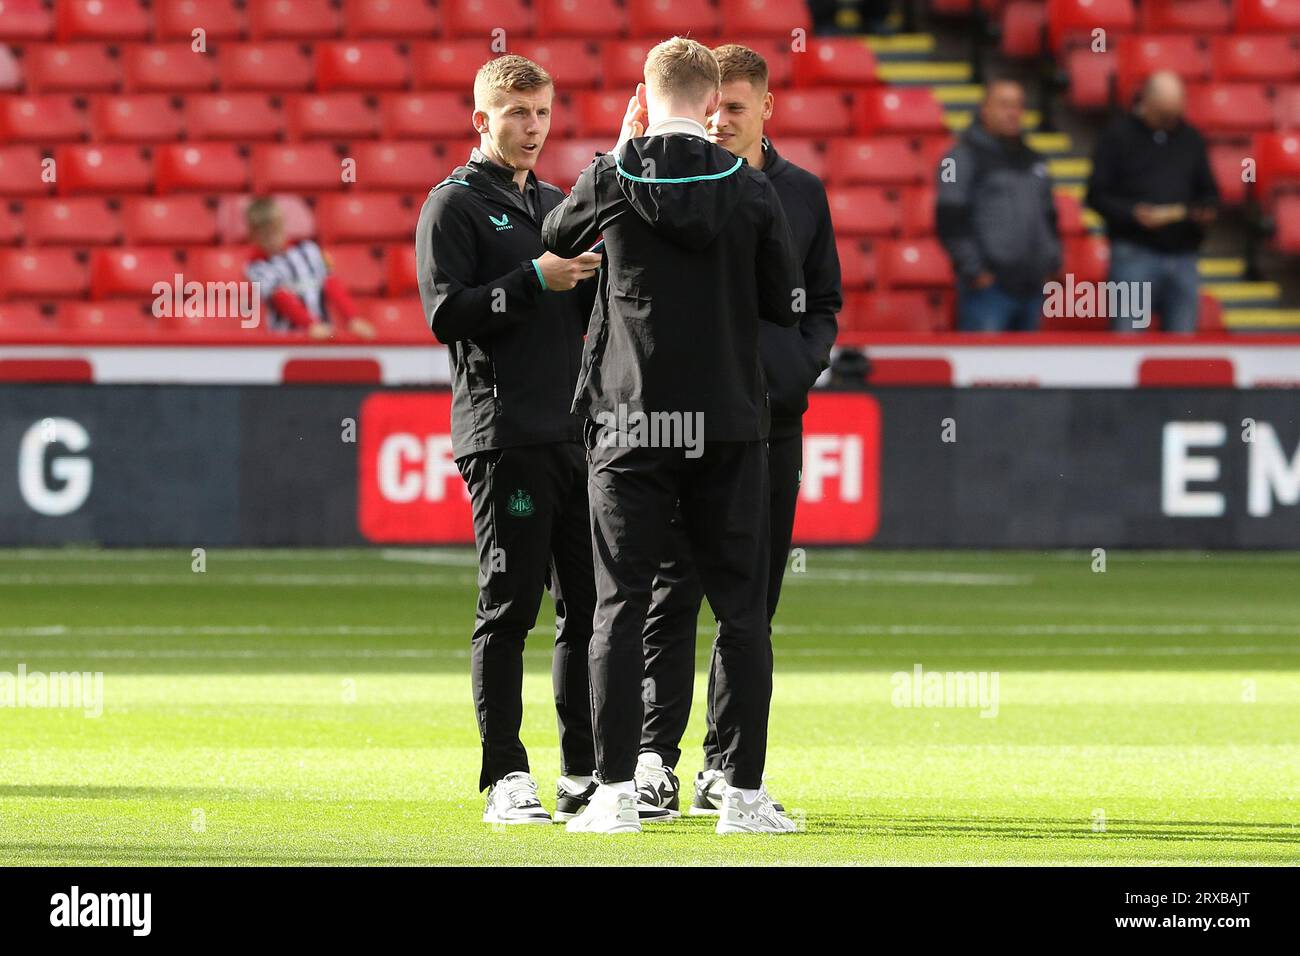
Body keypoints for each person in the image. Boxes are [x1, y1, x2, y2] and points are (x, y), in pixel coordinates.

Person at [542, 36, 804, 835]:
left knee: (619, 606)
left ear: (646, 96)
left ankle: (616, 793)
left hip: (630, 420)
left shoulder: (614, 175)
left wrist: (622, 149)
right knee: (742, 612)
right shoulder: (754, 191)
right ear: (709, 98)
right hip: (726, 422)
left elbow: (554, 237)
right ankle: (742, 796)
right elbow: (780, 299)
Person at [634, 43, 842, 820]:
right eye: (712, 106)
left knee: (749, 600)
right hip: (684, 423)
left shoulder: (802, 195)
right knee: (667, 593)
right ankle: (655, 757)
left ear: (766, 109)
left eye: (736, 108)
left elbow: (821, 304)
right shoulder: (661, 178)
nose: (719, 120)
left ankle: (726, 767)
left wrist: (786, 375)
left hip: (767, 425)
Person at [415, 54, 612, 826]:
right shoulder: (453, 206)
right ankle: (504, 775)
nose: (532, 129)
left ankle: (584, 772)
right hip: (504, 436)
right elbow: (445, 315)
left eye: (542, 113)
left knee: (589, 609)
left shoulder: (559, 202)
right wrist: (535, 278)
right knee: (509, 608)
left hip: (574, 436)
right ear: (482, 120)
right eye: (517, 115)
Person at [1086, 71, 1218, 333]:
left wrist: (1203, 210)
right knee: (1128, 341)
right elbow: (1095, 195)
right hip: (1134, 252)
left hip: (1183, 255)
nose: (1169, 121)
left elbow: (1209, 192)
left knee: (1182, 350)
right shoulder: (1117, 137)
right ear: (1145, 102)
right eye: (1162, 115)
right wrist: (1132, 213)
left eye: (1173, 115)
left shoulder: (1190, 138)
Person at [935, 78, 1061, 332]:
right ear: (985, 109)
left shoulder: (1034, 159)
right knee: (983, 369)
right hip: (989, 289)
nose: (1013, 113)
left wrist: (1050, 263)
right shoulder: (958, 157)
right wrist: (975, 271)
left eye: (1018, 106)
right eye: (1004, 105)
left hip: (1032, 285)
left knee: (1029, 368)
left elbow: (1049, 216)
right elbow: (949, 218)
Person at [244, 197, 376, 340]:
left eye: (275, 229)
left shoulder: (309, 249)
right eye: (264, 233)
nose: (271, 238)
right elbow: (281, 298)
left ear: (282, 224)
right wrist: (310, 325)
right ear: (253, 235)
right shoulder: (256, 266)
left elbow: (331, 284)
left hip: (323, 336)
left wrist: (353, 318)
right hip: (286, 340)